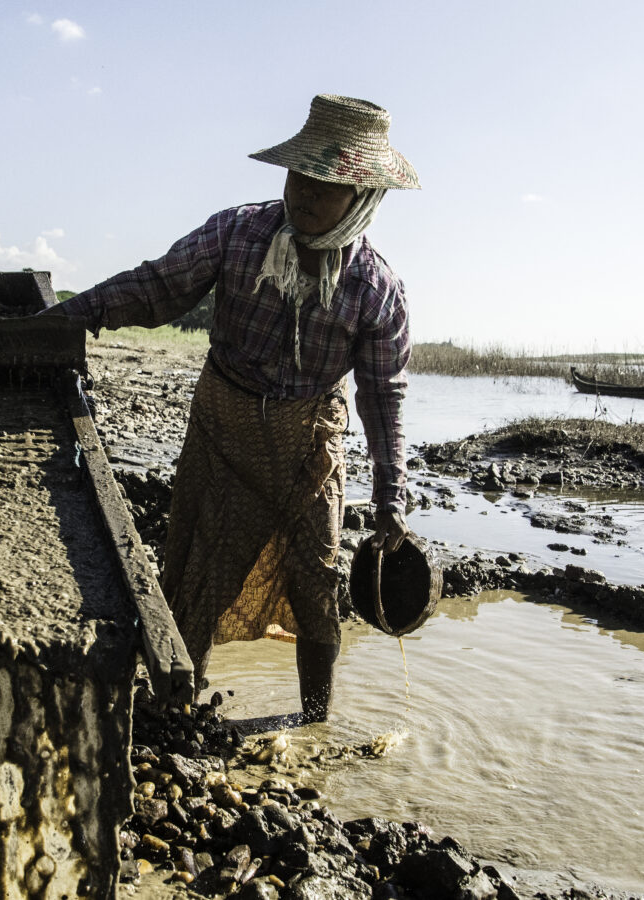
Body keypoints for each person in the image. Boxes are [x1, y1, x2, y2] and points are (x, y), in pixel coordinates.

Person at [48, 94, 420, 721]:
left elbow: (383, 399)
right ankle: (177, 709)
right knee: (198, 571)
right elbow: (157, 286)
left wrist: (392, 497)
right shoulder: (239, 234)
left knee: (316, 580)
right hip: (224, 427)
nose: (303, 194)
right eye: (299, 175)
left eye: (325, 185)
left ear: (360, 196)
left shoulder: (376, 289)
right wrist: (68, 317)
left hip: (310, 448)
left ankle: (313, 721)